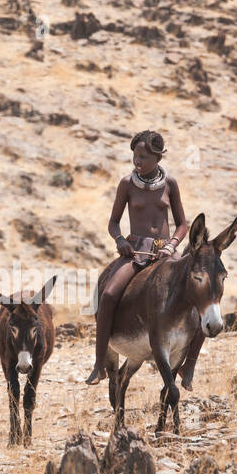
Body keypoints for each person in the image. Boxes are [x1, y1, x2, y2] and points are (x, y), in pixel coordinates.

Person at [86, 130, 197, 386]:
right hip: (136, 252)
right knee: (108, 296)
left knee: (200, 294)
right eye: (135, 156)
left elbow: (182, 224)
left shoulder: (170, 184)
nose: (138, 161)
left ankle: (187, 367)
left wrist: (171, 246)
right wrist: (120, 241)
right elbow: (113, 223)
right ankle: (99, 364)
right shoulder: (126, 184)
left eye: (144, 157)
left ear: (157, 158)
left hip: (166, 253)